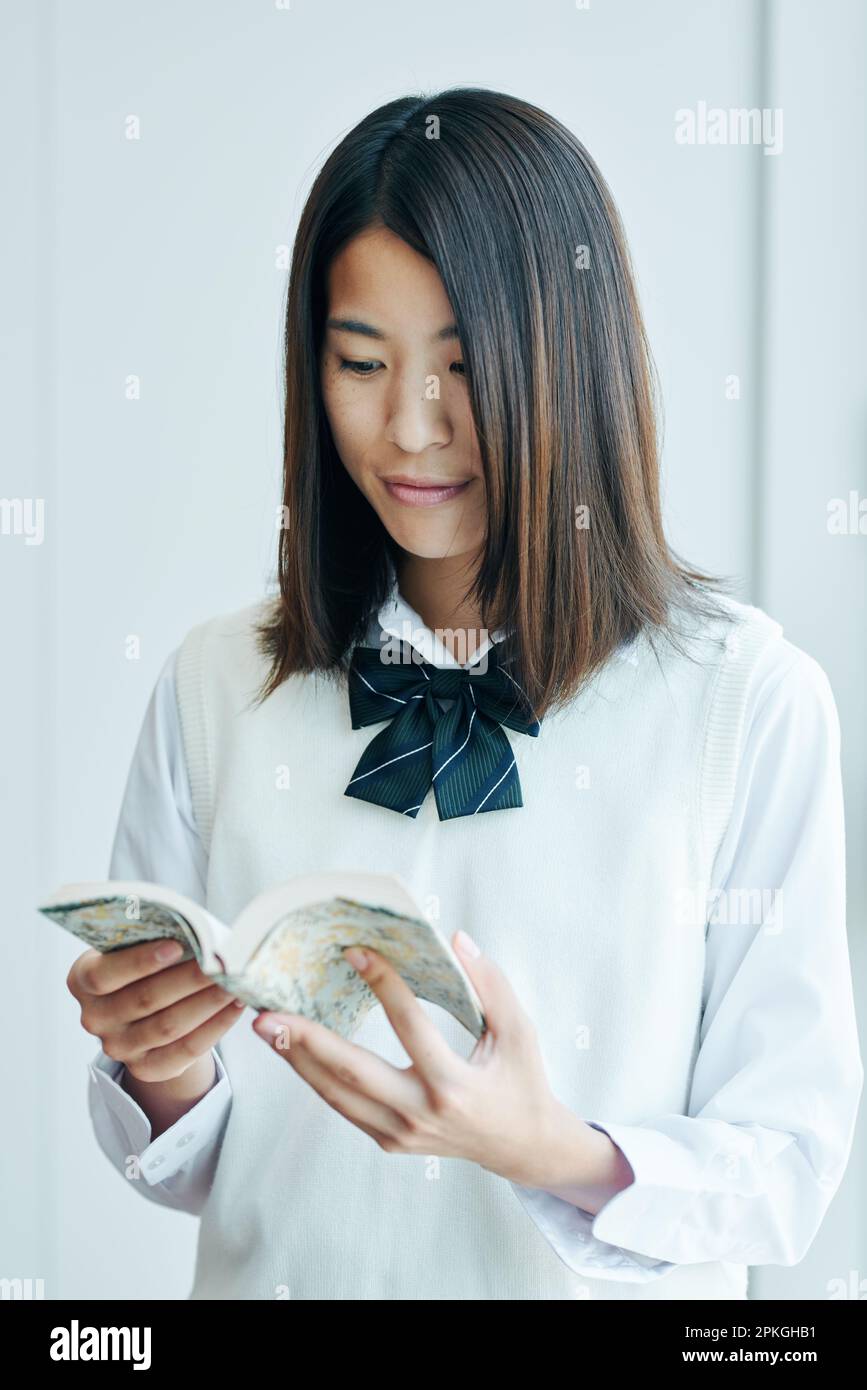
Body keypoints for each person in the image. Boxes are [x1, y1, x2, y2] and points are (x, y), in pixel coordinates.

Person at [67, 87, 863, 1301]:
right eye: (360, 364)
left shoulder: (747, 703)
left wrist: (543, 1148)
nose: (410, 427)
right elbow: (201, 1171)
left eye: (462, 364)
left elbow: (788, 1166)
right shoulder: (216, 684)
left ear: (566, 361)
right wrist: (158, 1065)